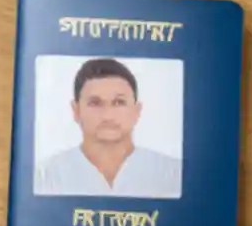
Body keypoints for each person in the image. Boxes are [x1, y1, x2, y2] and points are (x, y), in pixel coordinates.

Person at [36, 58, 182, 198]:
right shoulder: (45, 177)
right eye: (95, 103)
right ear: (76, 111)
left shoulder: (173, 175)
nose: (108, 116)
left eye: (119, 102)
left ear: (137, 111)